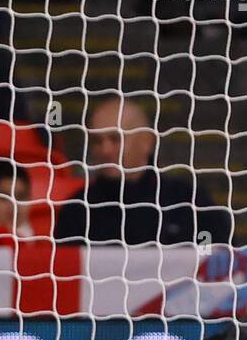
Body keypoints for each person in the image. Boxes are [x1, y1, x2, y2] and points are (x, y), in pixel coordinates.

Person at [53, 97, 232, 245]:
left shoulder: (192, 204)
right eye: (97, 141)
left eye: (115, 139)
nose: (105, 150)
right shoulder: (77, 210)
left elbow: (215, 268)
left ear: (146, 141)